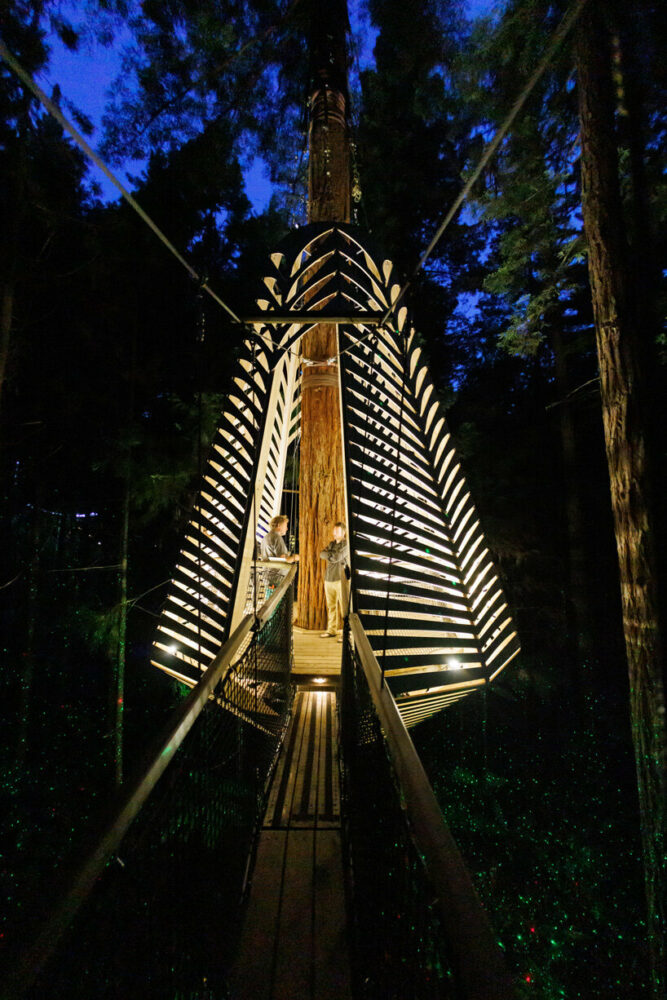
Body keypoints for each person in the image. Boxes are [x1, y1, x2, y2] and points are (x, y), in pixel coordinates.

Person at [319, 522, 349, 641]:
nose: (335, 533)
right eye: (334, 531)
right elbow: (322, 554)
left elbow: (337, 558)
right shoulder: (331, 543)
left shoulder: (346, 544)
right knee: (331, 607)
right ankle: (331, 630)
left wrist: (329, 555)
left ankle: (346, 633)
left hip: (340, 579)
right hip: (328, 579)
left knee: (344, 608)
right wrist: (331, 555)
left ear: (343, 532)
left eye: (337, 531)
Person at [260, 514, 298, 598]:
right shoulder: (277, 538)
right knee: (276, 605)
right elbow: (283, 559)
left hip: (268, 575)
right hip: (277, 577)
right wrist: (295, 557)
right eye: (285, 526)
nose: (287, 528)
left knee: (270, 601)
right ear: (278, 525)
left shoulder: (266, 537)